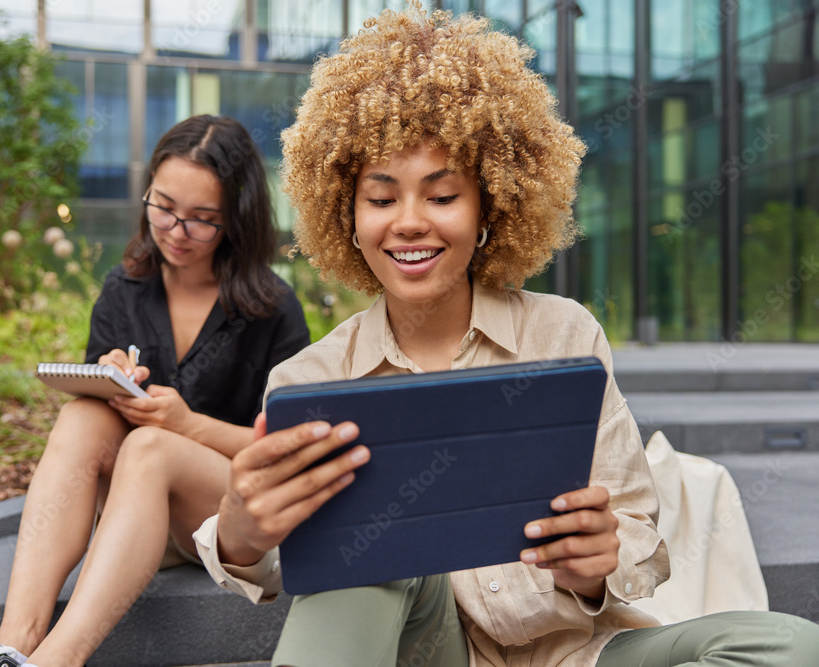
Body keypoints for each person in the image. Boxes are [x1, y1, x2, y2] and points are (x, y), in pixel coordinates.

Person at [191, 6, 819, 667]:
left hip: (581, 653)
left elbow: (636, 540)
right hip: (430, 653)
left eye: (441, 196)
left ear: (490, 205)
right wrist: (239, 531)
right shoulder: (311, 381)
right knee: (372, 548)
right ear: (345, 215)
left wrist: (597, 563)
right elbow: (274, 563)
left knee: (791, 646)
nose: (409, 222)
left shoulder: (565, 334)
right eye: (381, 198)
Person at [0, 115, 310, 667]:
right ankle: (12, 646)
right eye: (163, 207)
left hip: (237, 519)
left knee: (152, 447)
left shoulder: (272, 307)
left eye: (202, 220)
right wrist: (110, 381)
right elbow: (95, 430)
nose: (175, 230)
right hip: (142, 515)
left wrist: (186, 424)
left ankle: (60, 659)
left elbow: (293, 454)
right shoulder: (125, 288)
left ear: (237, 220)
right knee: (83, 416)